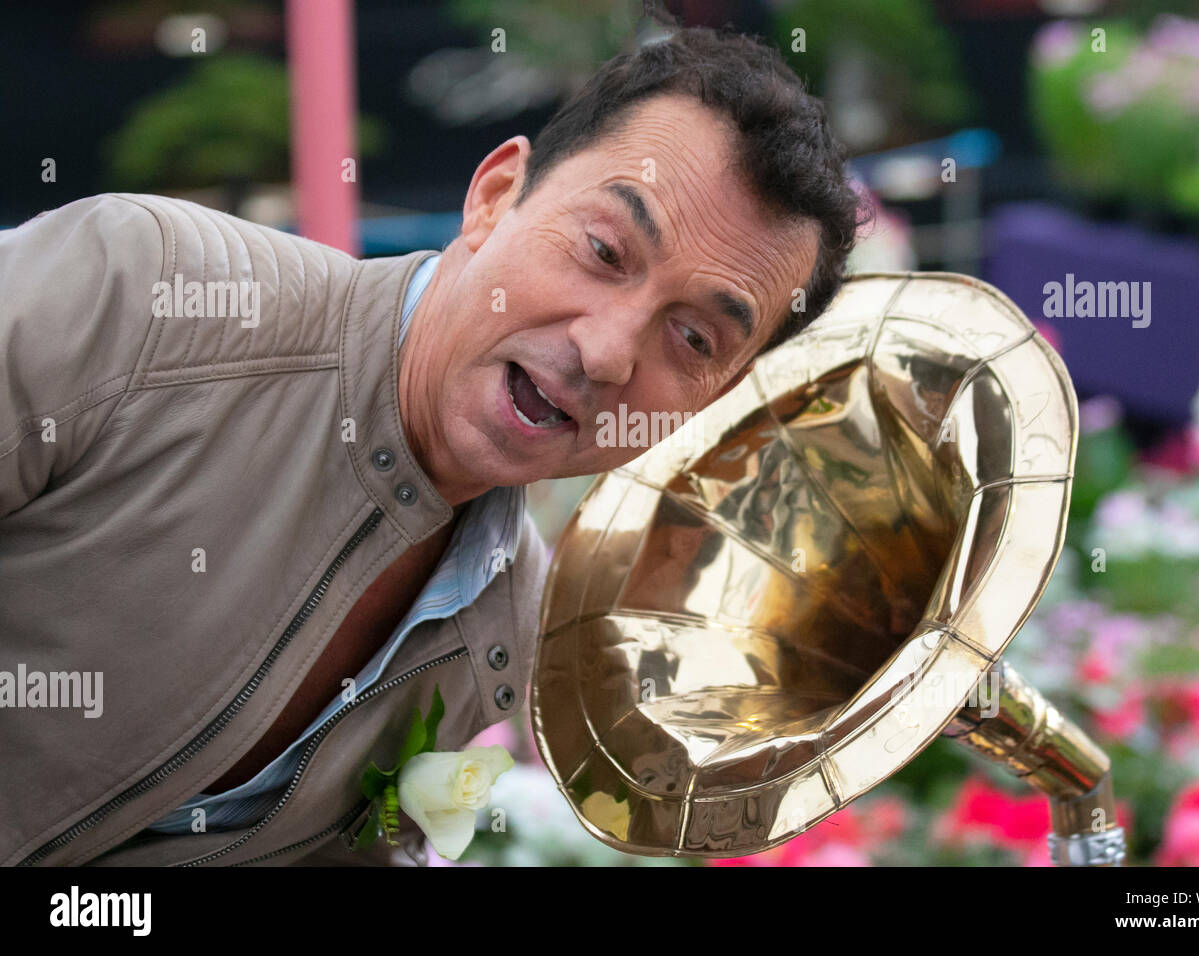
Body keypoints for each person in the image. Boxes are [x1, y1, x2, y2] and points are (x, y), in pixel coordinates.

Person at [0, 25, 864, 866]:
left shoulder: (509, 625)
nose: (607, 351)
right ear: (495, 195)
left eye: (695, 340)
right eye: (604, 250)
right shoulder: (145, 292)